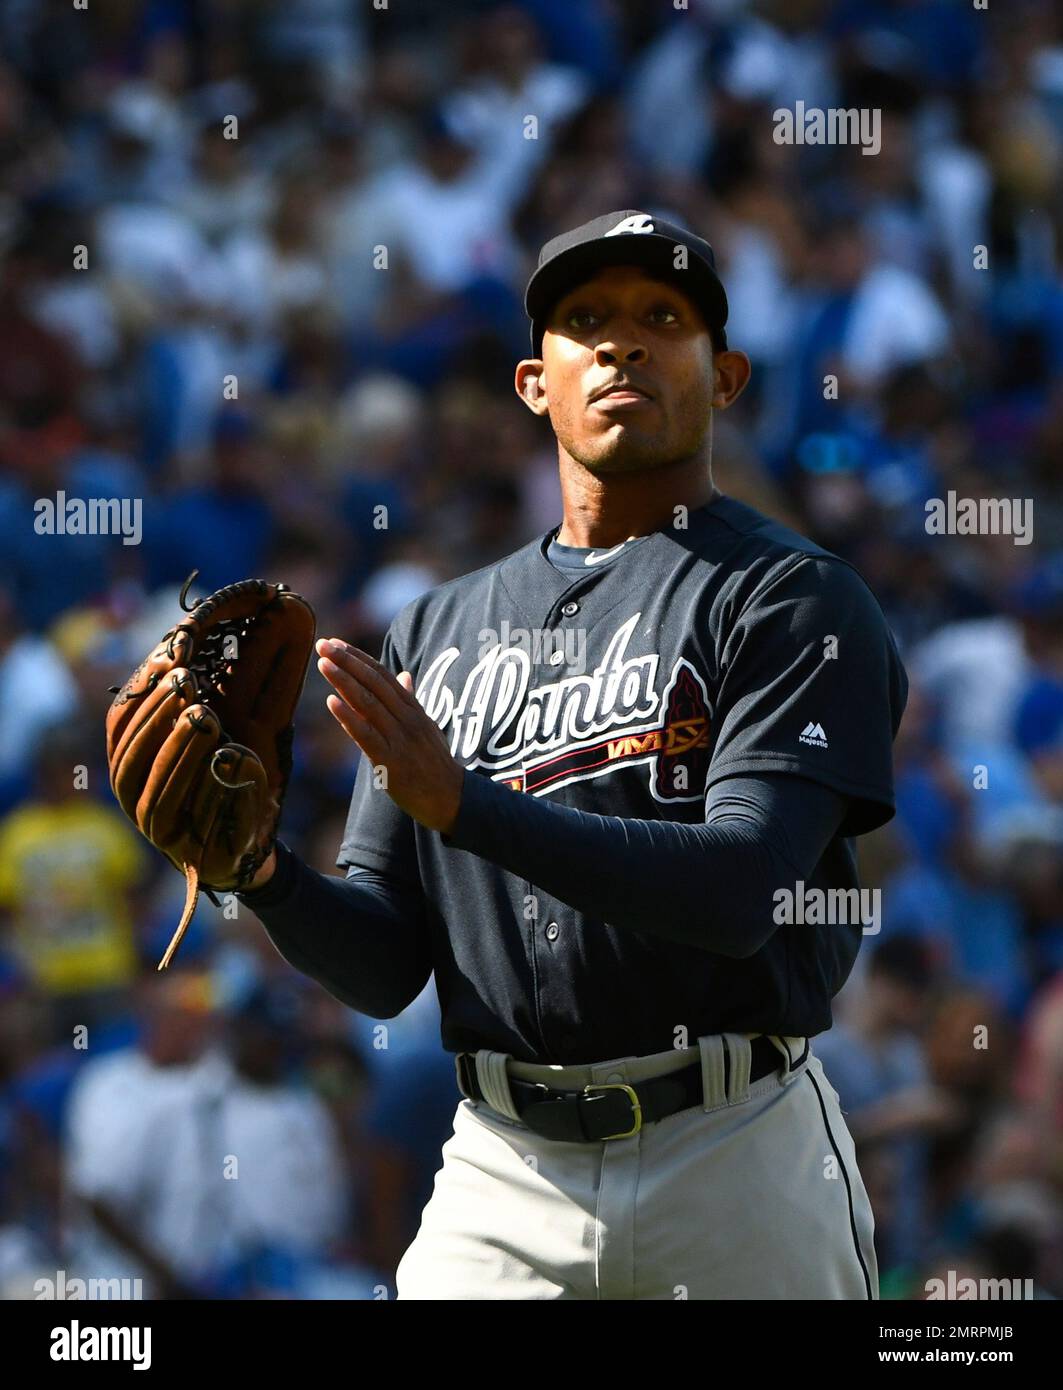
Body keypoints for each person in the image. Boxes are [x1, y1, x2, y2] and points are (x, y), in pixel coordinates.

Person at [237, 209, 909, 1300]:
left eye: (662, 317)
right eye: (585, 320)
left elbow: (741, 887)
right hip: (504, 1166)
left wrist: (468, 805)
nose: (620, 343)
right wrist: (258, 873)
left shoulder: (790, 596)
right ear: (532, 383)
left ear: (725, 377)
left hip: (732, 1151)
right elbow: (385, 961)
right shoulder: (435, 629)